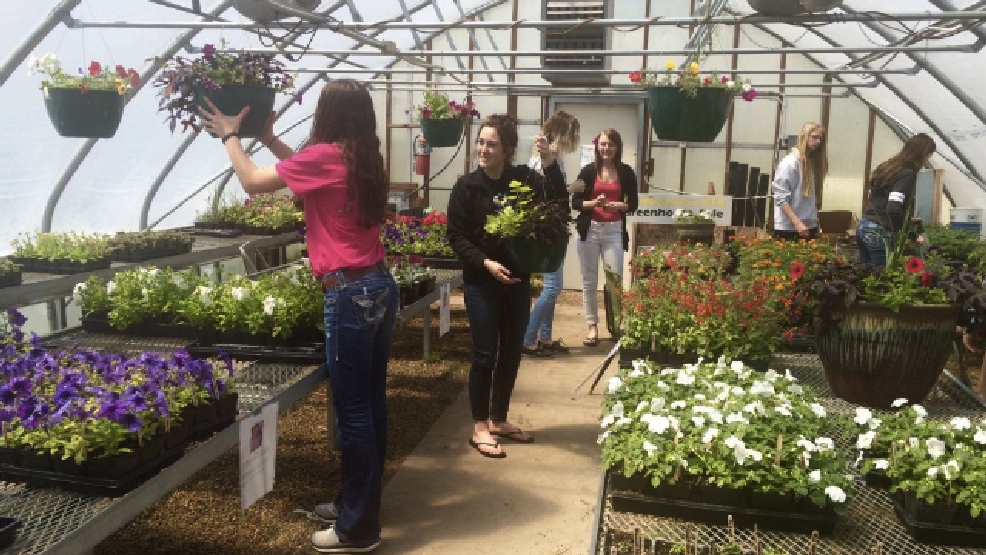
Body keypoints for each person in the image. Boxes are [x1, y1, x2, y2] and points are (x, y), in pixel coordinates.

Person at [199, 79, 397, 554]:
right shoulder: (362, 157)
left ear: (328, 116)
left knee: (353, 413)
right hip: (377, 286)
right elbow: (304, 177)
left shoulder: (328, 155)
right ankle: (357, 504)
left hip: (349, 294)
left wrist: (231, 135)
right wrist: (268, 140)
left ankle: (358, 529)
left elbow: (253, 183)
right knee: (370, 405)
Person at [446, 114, 566, 458]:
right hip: (482, 282)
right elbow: (456, 236)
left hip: (516, 280)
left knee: (512, 350)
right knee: (485, 353)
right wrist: (485, 262)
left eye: (492, 144)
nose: (483, 149)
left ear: (508, 149)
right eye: (481, 143)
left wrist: (548, 162)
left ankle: (499, 419)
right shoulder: (466, 187)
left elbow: (558, 205)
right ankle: (479, 426)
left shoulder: (525, 180)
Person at [571, 128, 639, 347]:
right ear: (597, 147)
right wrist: (595, 204)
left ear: (617, 147)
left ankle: (616, 325)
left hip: (613, 230)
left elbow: (633, 205)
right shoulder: (588, 171)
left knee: (614, 280)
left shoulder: (626, 172)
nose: (606, 148)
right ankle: (592, 327)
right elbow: (575, 203)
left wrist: (617, 205)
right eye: (602, 144)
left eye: (610, 144)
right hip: (589, 229)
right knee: (589, 281)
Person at [522, 110, 581, 358]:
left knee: (551, 285)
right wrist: (571, 189)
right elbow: (543, 196)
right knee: (553, 286)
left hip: (553, 229)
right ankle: (527, 338)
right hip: (546, 231)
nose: (574, 142)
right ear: (561, 136)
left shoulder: (554, 157)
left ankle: (544, 337)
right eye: (572, 136)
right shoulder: (542, 161)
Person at [857, 133, 936, 267]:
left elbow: (880, 199)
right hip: (879, 232)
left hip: (864, 226)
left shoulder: (888, 167)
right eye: (928, 156)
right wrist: (912, 235)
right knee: (880, 281)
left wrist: (906, 217)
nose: (927, 160)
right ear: (920, 154)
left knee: (865, 277)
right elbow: (893, 208)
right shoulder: (907, 173)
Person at [772, 122, 828, 241]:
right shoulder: (790, 163)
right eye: (814, 137)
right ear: (804, 137)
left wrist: (814, 220)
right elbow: (780, 197)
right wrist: (797, 223)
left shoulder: (811, 163)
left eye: (820, 138)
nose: (818, 141)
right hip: (789, 228)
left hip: (808, 225)